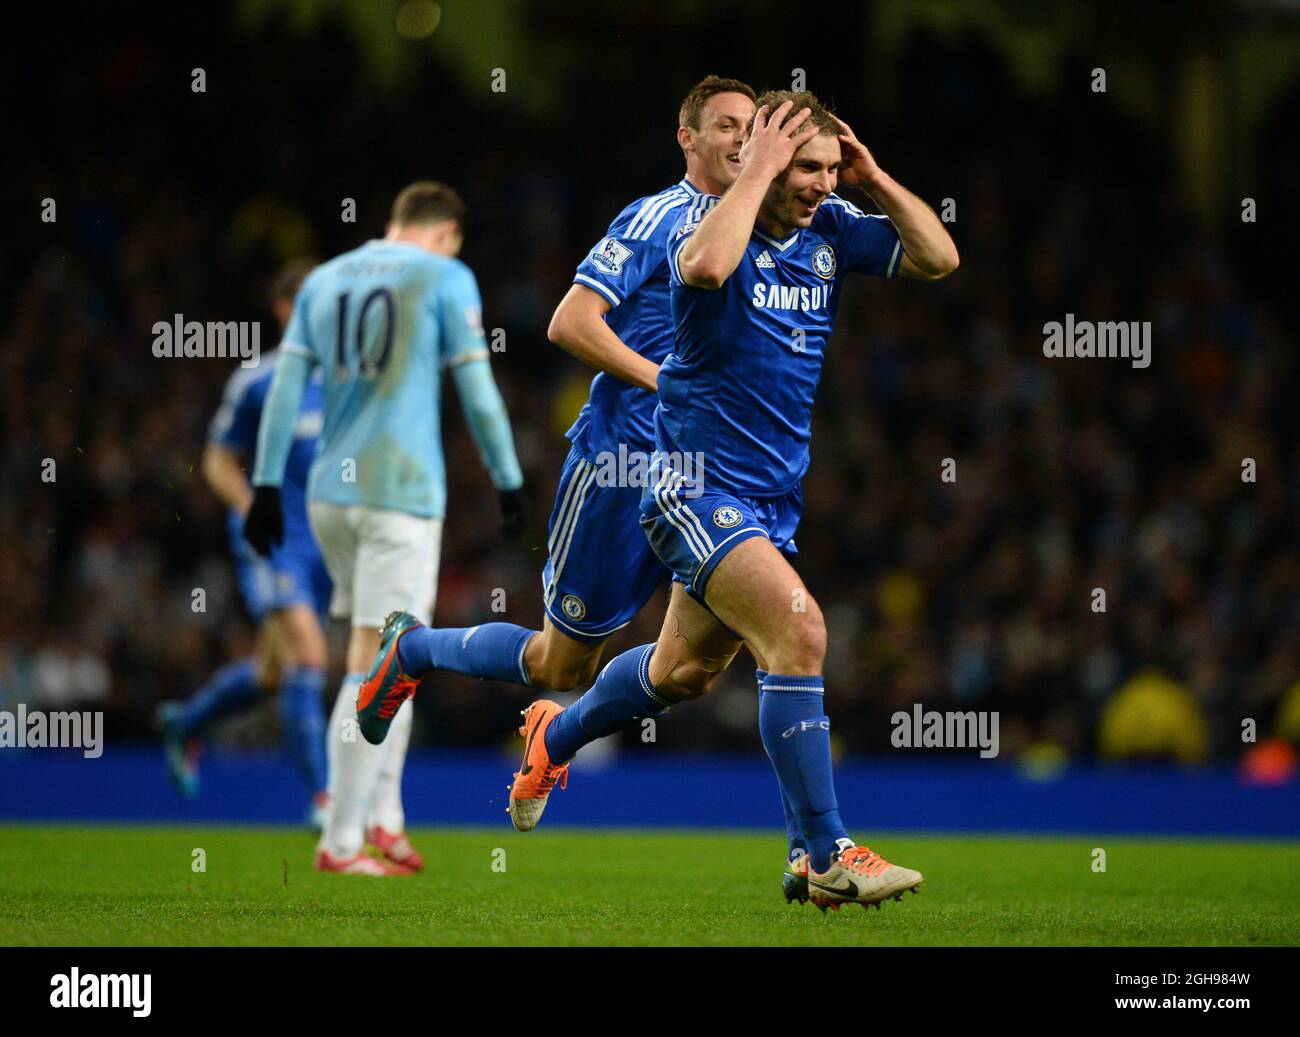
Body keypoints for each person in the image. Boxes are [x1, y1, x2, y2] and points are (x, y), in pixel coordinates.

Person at [515, 90, 958, 911]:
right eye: (807, 167)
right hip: (693, 484)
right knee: (799, 630)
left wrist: (872, 178)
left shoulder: (831, 227)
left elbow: (939, 258)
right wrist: (755, 172)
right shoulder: (707, 225)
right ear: (765, 163)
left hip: (771, 495)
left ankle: (555, 734)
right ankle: (824, 852)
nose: (822, 184)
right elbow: (706, 270)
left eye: (831, 168)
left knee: (682, 671)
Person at [244, 182, 526, 875]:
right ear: (446, 233)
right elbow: (477, 389)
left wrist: (266, 483)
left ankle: (385, 817)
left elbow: (286, 386)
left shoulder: (325, 278)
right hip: (398, 491)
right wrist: (507, 475)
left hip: (328, 496)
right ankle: (342, 840)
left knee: (379, 652)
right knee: (389, 658)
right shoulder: (443, 276)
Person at [157, 259, 332, 828]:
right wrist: (250, 506)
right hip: (274, 536)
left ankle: (186, 723)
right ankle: (325, 800)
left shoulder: (346, 382)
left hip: (326, 543)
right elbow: (216, 458)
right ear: (284, 309)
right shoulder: (257, 380)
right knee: (310, 655)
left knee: (273, 673)